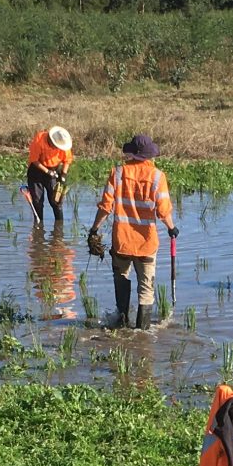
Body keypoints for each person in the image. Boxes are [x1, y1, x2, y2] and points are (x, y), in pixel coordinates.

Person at [89, 134, 175, 329]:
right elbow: (163, 210)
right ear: (149, 155)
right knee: (146, 288)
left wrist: (94, 230)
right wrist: (172, 228)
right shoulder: (157, 176)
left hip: (122, 242)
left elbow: (105, 207)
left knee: (121, 278)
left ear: (132, 153)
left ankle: (122, 323)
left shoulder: (117, 173)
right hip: (146, 244)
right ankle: (142, 333)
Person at [25, 125, 74, 225]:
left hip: (54, 170)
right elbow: (34, 160)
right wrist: (47, 171)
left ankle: (59, 229)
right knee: (37, 202)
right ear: (51, 140)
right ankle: (39, 229)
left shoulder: (63, 145)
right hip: (36, 171)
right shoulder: (39, 140)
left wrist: (63, 175)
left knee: (56, 202)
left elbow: (67, 160)